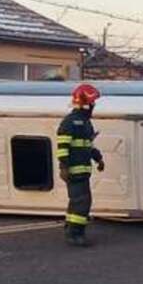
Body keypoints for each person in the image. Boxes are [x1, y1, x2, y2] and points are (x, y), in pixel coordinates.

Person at [57, 83, 105, 247]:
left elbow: (87, 145)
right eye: (92, 103)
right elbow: (62, 146)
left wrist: (98, 158)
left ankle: (71, 227)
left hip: (82, 171)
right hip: (73, 171)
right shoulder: (71, 122)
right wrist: (64, 167)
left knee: (77, 201)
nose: (93, 107)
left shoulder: (85, 123)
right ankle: (75, 234)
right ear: (86, 104)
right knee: (82, 202)